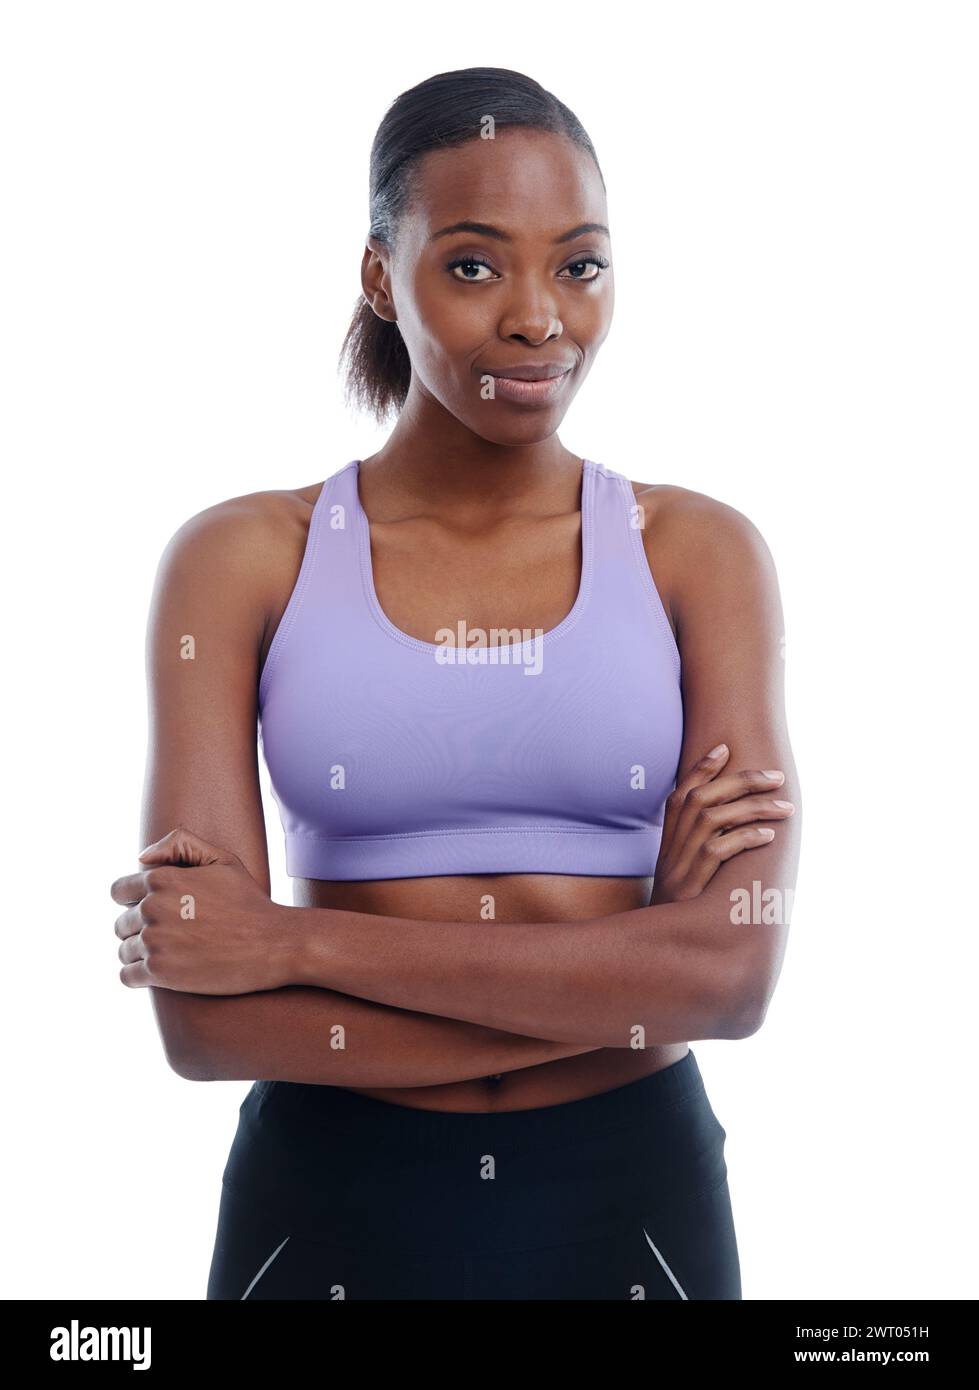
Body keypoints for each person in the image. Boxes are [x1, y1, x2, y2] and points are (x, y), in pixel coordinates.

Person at [110, 65, 800, 1301]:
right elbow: (204, 1021)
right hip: (326, 1199)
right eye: (474, 265)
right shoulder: (239, 559)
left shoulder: (696, 552)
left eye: (579, 265)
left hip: (627, 1199)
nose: (539, 317)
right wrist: (636, 967)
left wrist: (291, 943)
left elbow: (732, 977)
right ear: (381, 276)